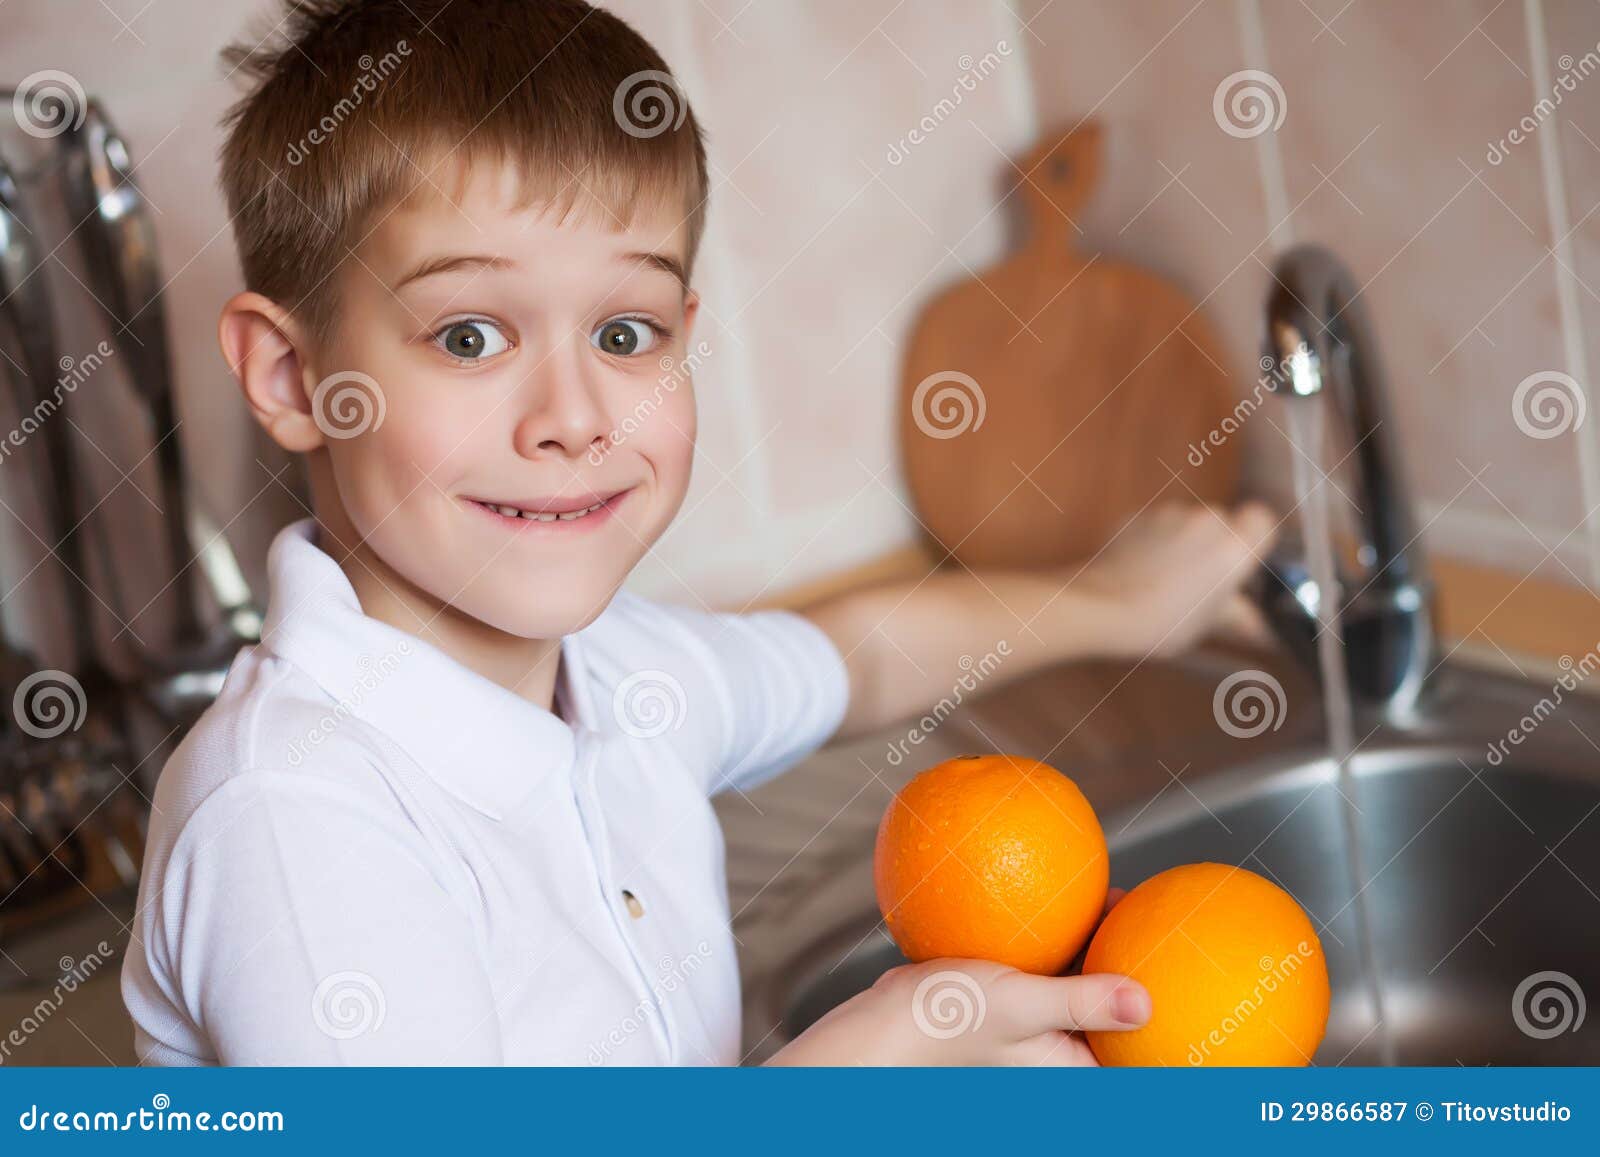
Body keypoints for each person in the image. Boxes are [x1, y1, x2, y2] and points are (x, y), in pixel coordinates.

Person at [120, 0, 1277, 1065]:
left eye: (623, 333)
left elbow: (861, 653)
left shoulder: (622, 675)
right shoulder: (293, 816)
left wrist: (1122, 601)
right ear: (291, 373)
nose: (572, 417)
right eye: (471, 337)